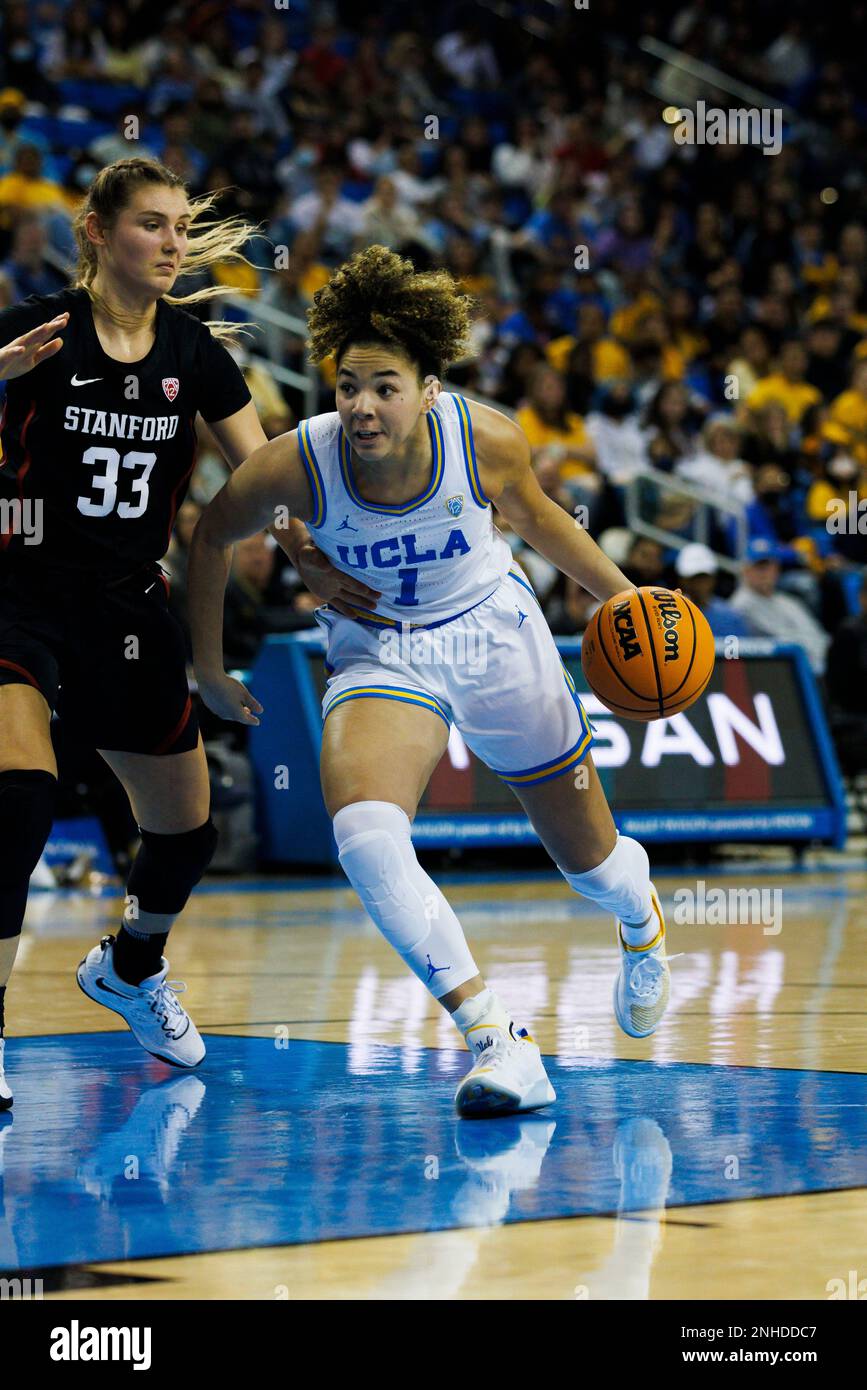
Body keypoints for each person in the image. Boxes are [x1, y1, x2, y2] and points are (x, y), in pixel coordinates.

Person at [187, 245, 672, 1119]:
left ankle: (638, 920)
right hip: (383, 654)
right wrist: (210, 667)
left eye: (385, 385)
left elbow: (544, 524)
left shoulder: (482, 439)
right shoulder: (297, 464)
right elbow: (211, 538)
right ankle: (497, 1041)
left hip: (495, 634)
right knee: (368, 838)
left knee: (589, 864)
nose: (362, 406)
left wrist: (629, 601)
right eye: (347, 385)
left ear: (428, 388)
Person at [0, 157, 370, 1111]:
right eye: (150, 226)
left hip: (128, 608)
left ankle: (131, 965)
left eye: (178, 228)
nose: (170, 244)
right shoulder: (37, 330)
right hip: (20, 592)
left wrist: (307, 554)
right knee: (16, 806)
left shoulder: (196, 352)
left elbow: (268, 472)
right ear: (96, 232)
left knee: (186, 834)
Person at [729, 539, 830, 675]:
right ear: (746, 571)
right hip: (779, 673)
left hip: (815, 667)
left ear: (777, 569)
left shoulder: (788, 601)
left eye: (769, 566)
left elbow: (817, 635)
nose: (764, 573)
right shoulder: (741, 604)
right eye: (759, 567)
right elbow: (782, 640)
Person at [674, 543, 753, 638]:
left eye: (704, 577)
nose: (700, 584)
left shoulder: (730, 617)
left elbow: (740, 651)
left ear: (713, 578)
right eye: (694, 578)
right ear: (683, 580)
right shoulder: (671, 617)